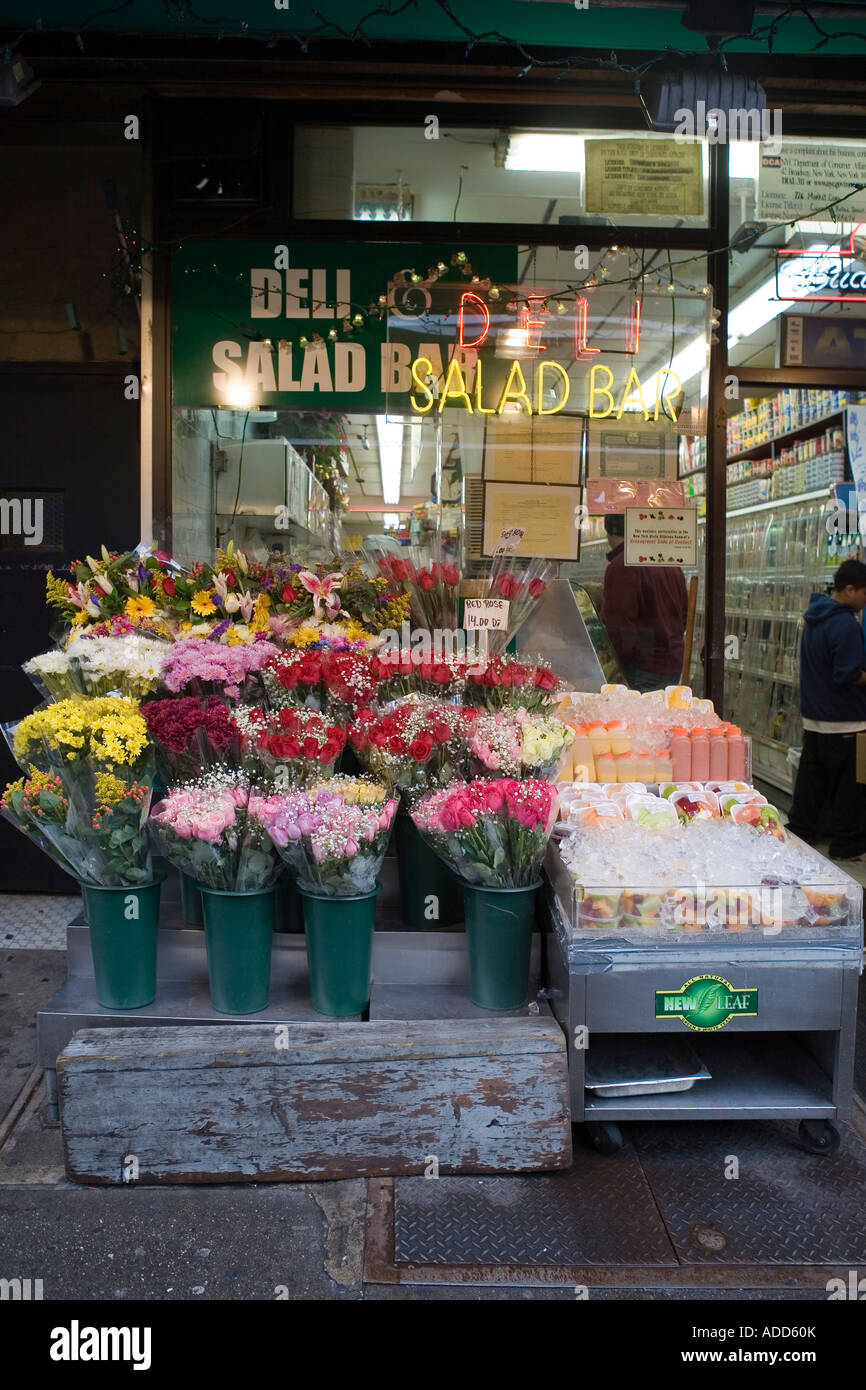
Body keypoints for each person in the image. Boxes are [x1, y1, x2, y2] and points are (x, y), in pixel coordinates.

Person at [787, 558, 866, 861]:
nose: (864, 601)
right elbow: (847, 674)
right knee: (851, 791)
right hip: (845, 720)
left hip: (816, 718)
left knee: (812, 785)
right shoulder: (845, 624)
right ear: (849, 590)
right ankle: (846, 845)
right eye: (863, 594)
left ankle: (802, 832)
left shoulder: (814, 617)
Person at [600, 513, 688, 692]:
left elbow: (620, 626)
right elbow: (684, 615)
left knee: (638, 719)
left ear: (609, 533)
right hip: (673, 662)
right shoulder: (668, 561)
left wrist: (614, 663)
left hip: (643, 667)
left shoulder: (623, 565)